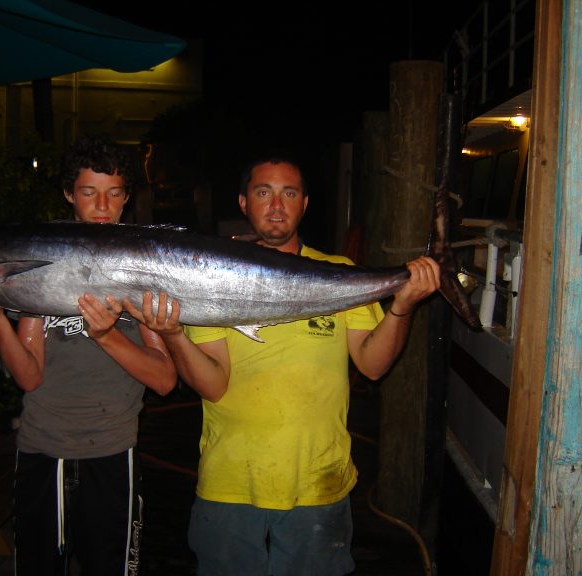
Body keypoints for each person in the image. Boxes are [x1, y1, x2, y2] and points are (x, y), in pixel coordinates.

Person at [124, 152, 441, 576]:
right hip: (230, 484)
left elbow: (373, 365)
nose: (276, 206)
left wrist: (402, 307)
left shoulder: (340, 272)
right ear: (243, 203)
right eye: (263, 193)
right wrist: (173, 333)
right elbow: (214, 385)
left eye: (289, 193)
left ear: (305, 204)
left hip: (319, 483)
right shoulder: (205, 277)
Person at [0, 133, 178, 576]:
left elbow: (165, 380)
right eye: (89, 194)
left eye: (114, 195)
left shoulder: (144, 263)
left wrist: (107, 336)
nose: (102, 207)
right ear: (69, 194)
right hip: (41, 449)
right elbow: (30, 377)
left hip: (113, 451)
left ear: (127, 198)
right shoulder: (43, 261)